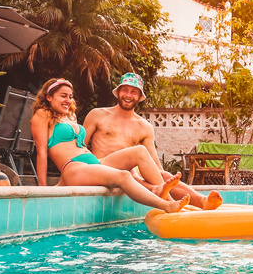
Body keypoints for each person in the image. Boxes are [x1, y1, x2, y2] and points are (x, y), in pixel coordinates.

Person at [30, 77, 189, 213]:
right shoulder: (42, 115)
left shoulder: (68, 117)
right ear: (49, 97)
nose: (68, 100)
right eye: (63, 96)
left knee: (139, 151)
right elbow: (42, 153)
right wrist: (43, 189)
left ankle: (168, 198)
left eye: (70, 96)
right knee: (124, 176)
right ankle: (166, 206)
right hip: (74, 168)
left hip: (94, 164)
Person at [83, 72, 222, 211]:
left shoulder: (144, 126)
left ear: (140, 97)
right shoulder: (97, 115)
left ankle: (202, 201)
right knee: (136, 162)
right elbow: (80, 147)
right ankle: (169, 202)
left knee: (163, 175)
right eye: (125, 90)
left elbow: (154, 163)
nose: (128, 95)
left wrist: (165, 177)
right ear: (118, 92)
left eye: (133, 92)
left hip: (130, 172)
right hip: (102, 166)